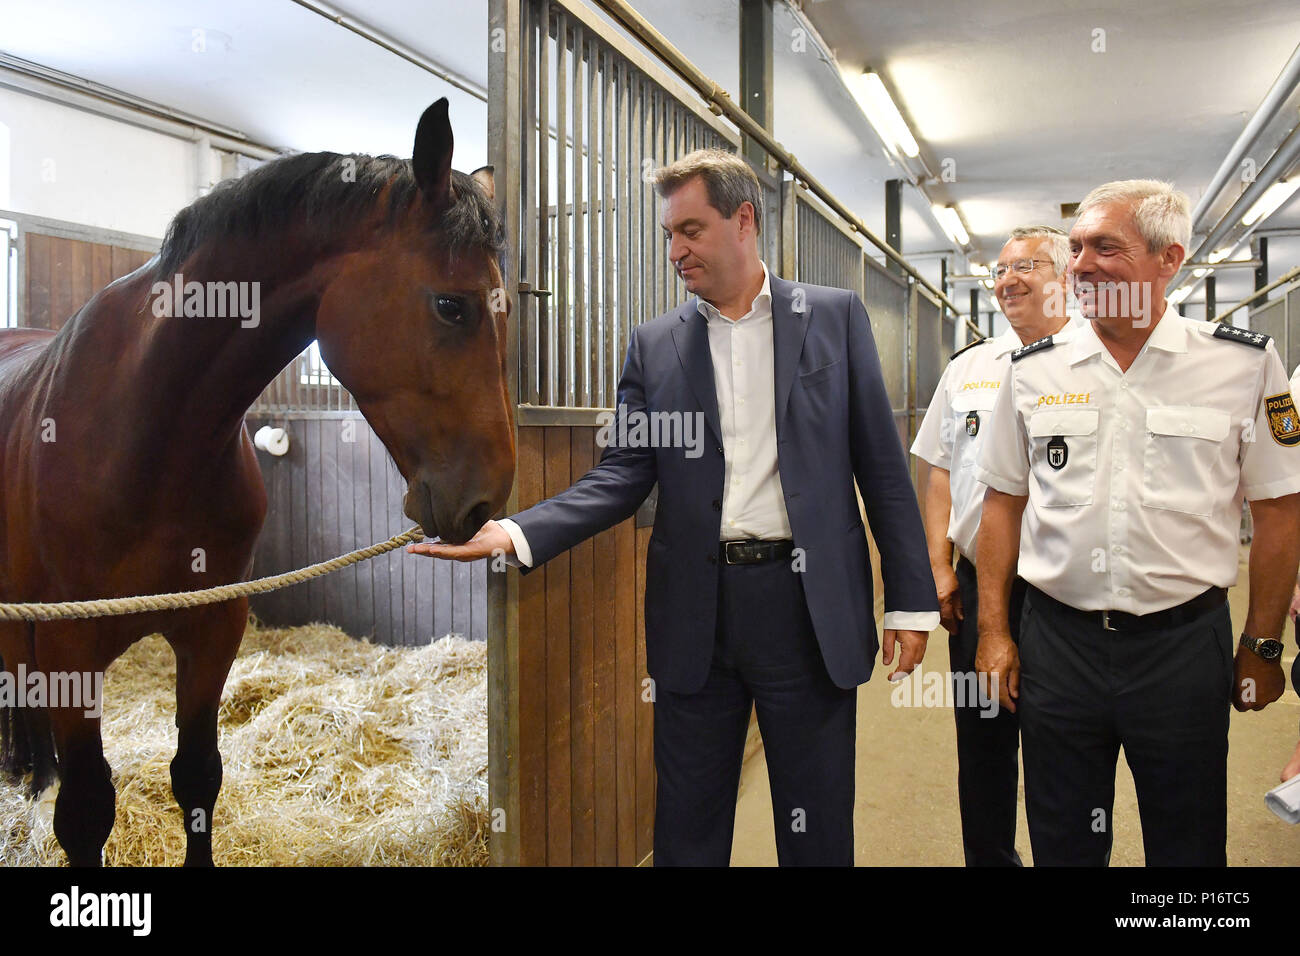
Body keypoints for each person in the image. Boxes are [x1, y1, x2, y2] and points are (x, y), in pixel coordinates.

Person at [407, 148, 938, 866]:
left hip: (807, 610)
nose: (674, 250)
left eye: (690, 229)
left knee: (815, 829)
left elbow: (882, 468)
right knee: (688, 827)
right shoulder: (655, 347)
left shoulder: (834, 321)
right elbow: (622, 477)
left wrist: (911, 602)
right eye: (667, 234)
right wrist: (514, 533)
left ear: (743, 220)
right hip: (699, 616)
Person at [974, 179, 1300, 866]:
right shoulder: (1035, 370)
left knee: (1186, 843)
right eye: (1075, 248)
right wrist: (996, 631)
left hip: (1183, 648)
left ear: (1168, 258)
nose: (1081, 264)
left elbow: (1280, 511)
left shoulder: (1239, 364)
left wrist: (1264, 643)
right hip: (1058, 643)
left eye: (1105, 248)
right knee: (1063, 839)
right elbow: (1002, 500)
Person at [910, 225, 1078, 866]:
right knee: (982, 740)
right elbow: (941, 470)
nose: (1007, 280)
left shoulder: (1098, 361)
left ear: (1066, 274)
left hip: (1065, 588)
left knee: (1064, 749)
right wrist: (939, 563)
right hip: (983, 582)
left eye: (1025, 266)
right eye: (999, 270)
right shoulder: (971, 368)